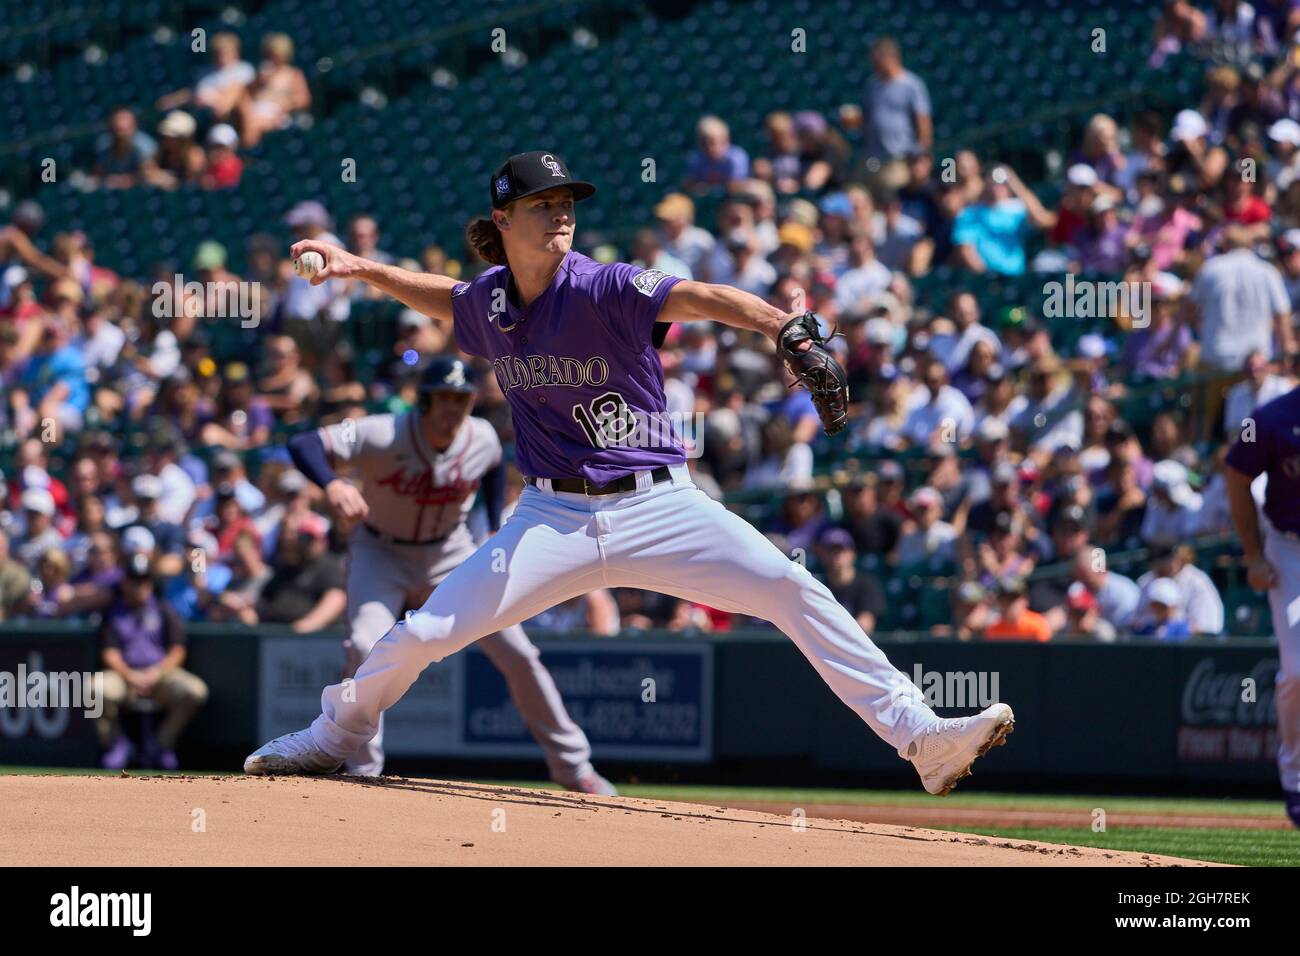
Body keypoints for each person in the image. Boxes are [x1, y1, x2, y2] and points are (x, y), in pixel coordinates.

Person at [245, 150, 1014, 795]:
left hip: (661, 506)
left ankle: (922, 738)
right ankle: (331, 734)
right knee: (425, 633)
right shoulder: (490, 302)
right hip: (551, 519)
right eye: (542, 204)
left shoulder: (605, 285)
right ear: (504, 222)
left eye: (566, 202)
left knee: (791, 588)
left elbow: (701, 296)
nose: (560, 215)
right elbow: (443, 298)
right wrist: (358, 267)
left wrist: (782, 326)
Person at [284, 355, 617, 793]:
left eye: (460, 400)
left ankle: (574, 768)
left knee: (518, 652)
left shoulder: (480, 437)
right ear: (423, 401)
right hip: (381, 553)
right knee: (364, 645)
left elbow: (495, 462)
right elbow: (304, 444)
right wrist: (332, 483)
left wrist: (495, 524)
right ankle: (363, 770)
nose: (451, 409)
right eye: (442, 398)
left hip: (450, 554)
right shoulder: (382, 431)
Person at [1224, 383, 1300, 828]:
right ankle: (1294, 775)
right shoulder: (1269, 418)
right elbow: (1236, 475)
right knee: (1296, 670)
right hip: (1289, 549)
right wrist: (1253, 554)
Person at [96, 553, 210, 770]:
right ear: (125, 582)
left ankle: (162, 745)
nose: (139, 585)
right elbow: (109, 652)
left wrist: (155, 674)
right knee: (93, 690)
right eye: (134, 580)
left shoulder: (163, 609)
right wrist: (130, 675)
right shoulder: (113, 611)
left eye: (144, 580)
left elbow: (177, 650)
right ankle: (116, 744)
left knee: (195, 691)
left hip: (159, 675)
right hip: (125, 676)